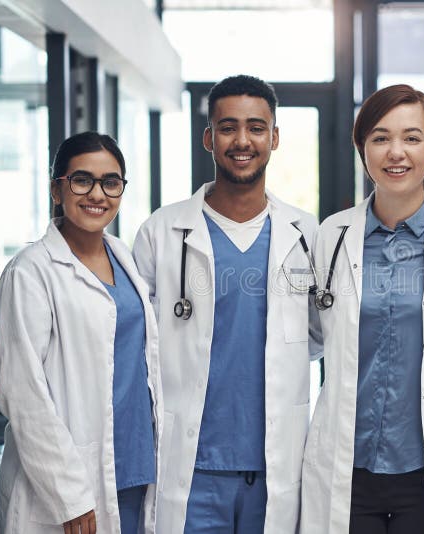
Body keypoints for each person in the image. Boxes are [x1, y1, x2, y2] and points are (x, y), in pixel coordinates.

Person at [132, 74, 321, 534]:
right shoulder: (161, 232)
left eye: (256, 128)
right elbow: (141, 345)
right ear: (208, 138)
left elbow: (317, 334)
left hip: (274, 466)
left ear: (274, 137)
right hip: (191, 467)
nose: (242, 141)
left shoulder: (306, 233)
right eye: (228, 127)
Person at [300, 84, 424, 534]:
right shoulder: (332, 235)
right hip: (349, 466)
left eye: (412, 138)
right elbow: (311, 337)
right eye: (380, 138)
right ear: (363, 148)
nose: (396, 152)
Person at [0, 132, 163, 534]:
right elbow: (23, 392)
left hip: (134, 467)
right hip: (70, 482)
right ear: (57, 190)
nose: (97, 194)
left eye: (110, 182)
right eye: (82, 180)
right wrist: (67, 493)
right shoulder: (31, 271)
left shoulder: (123, 256)